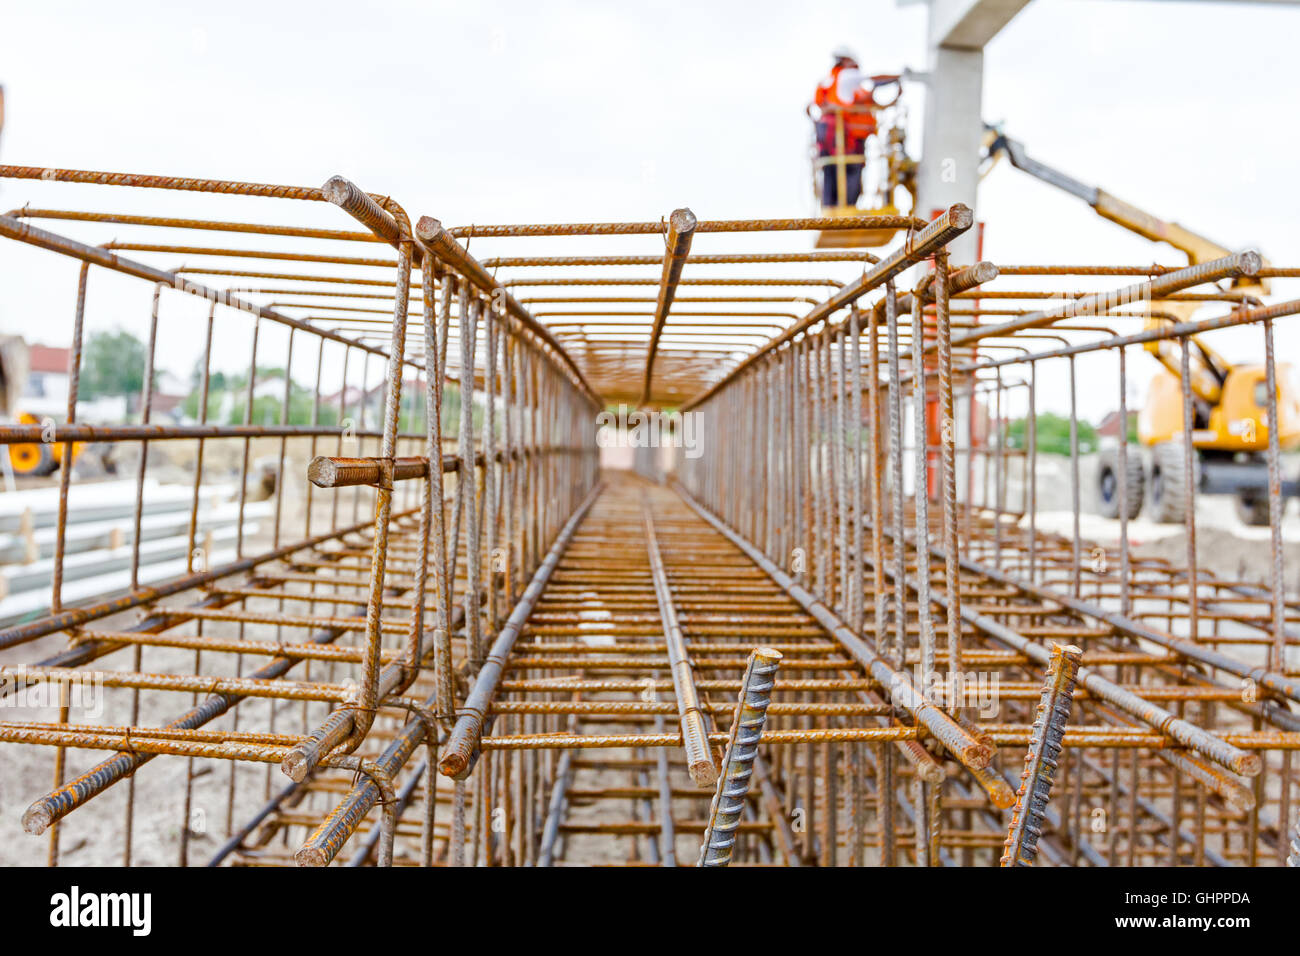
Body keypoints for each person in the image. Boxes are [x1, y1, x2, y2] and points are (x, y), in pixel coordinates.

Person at [811, 48, 899, 207]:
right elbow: (875, 78)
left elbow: (863, 101)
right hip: (845, 138)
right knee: (850, 172)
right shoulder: (847, 75)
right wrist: (900, 76)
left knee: (833, 172)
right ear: (846, 61)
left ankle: (832, 209)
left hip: (834, 137)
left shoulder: (831, 81)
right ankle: (842, 209)